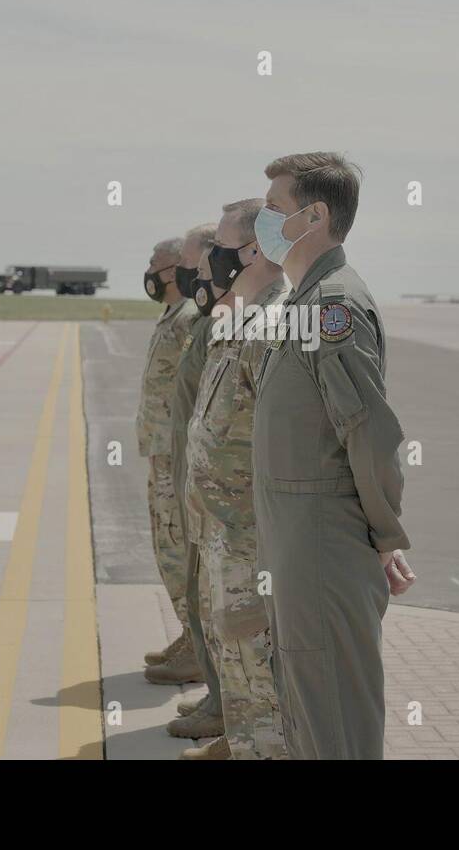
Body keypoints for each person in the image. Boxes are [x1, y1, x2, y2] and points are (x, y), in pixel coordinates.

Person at [250, 152, 416, 759]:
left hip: (322, 541)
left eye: (274, 209)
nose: (263, 223)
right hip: (299, 541)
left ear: (313, 216)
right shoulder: (306, 300)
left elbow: (369, 431)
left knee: (334, 724)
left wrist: (383, 536)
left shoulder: (330, 307)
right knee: (311, 715)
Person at [180, 199, 289, 760]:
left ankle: (263, 748)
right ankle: (242, 739)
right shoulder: (239, 320)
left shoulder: (276, 325)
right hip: (221, 526)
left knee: (257, 656)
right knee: (232, 650)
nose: (210, 263)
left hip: (250, 530)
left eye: (219, 249)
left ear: (251, 250)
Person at [162, 228, 225, 737]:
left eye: (196, 264)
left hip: (221, 489)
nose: (192, 274)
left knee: (222, 604)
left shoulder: (223, 322)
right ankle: (222, 702)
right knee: (202, 591)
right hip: (192, 470)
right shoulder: (207, 320)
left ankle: (232, 713)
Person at [137, 236, 202, 683]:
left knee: (178, 549)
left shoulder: (190, 318)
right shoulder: (173, 315)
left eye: (156, 266)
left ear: (176, 269)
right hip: (160, 450)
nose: (150, 273)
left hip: (175, 451)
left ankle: (198, 651)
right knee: (167, 547)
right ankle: (189, 634)